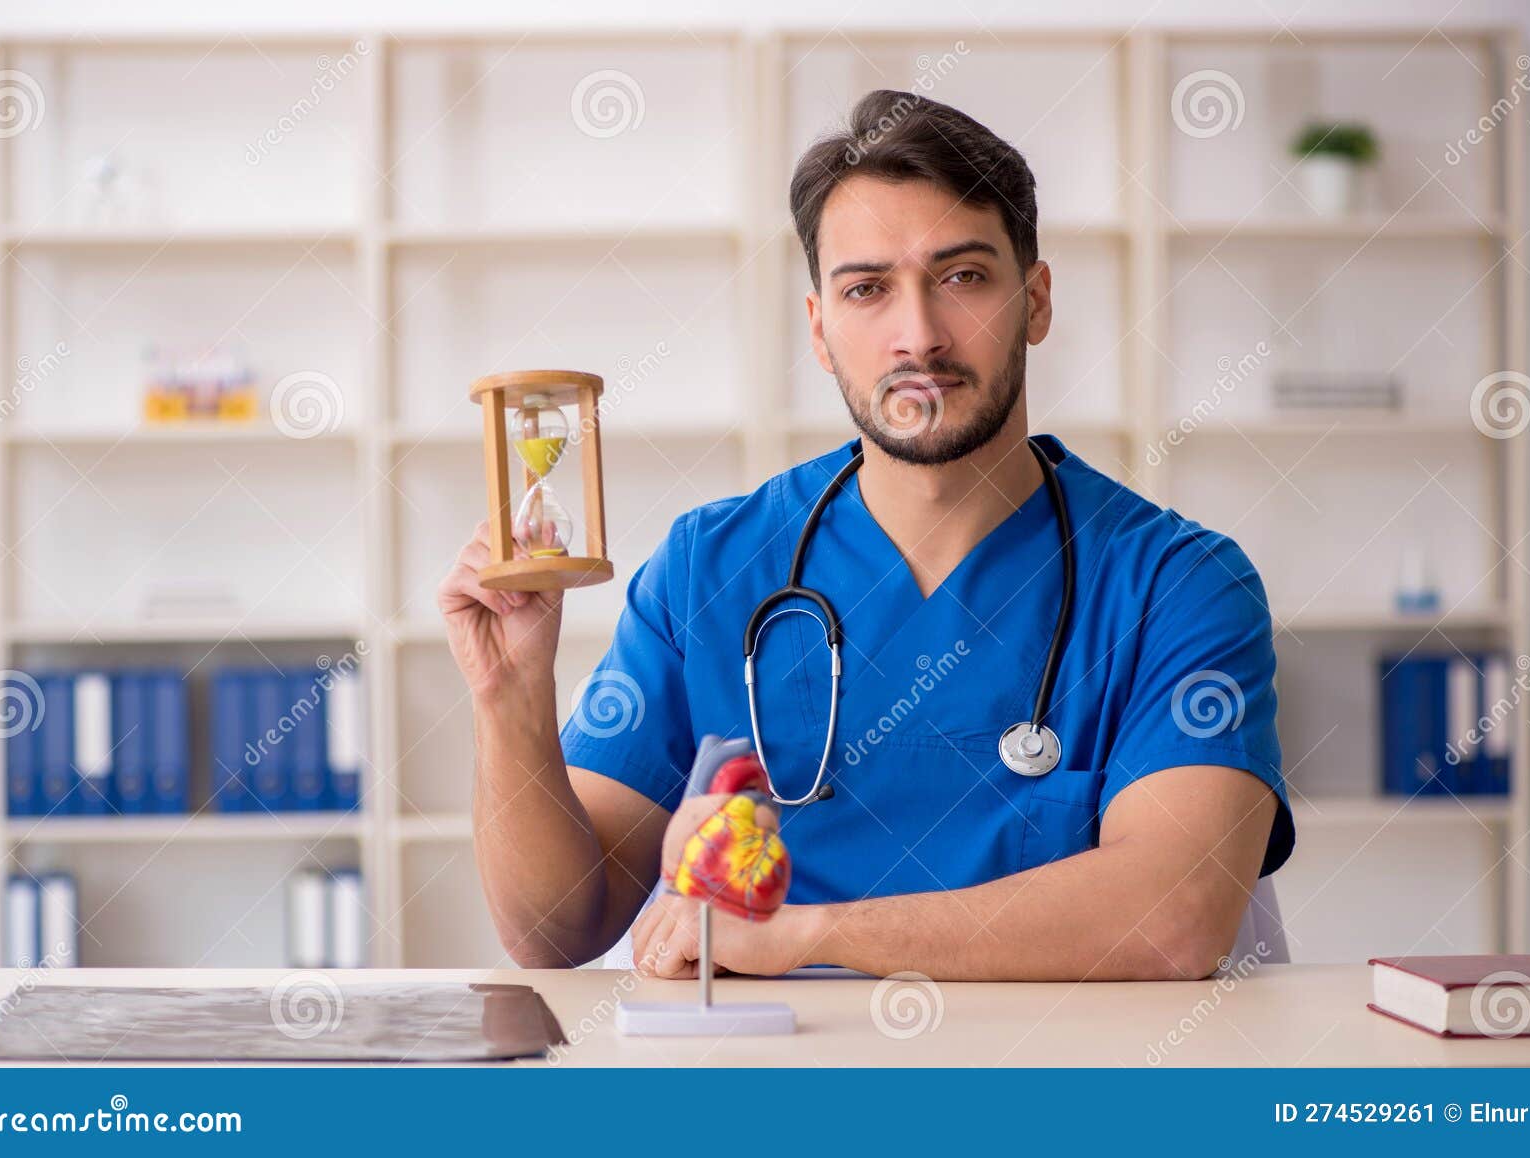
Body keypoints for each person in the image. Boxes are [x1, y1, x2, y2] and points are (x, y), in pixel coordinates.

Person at [438, 89, 1294, 982]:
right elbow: (556, 931)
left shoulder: (1179, 584)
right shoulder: (709, 571)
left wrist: (806, 935)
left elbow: (1175, 920)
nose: (917, 336)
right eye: (867, 289)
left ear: (1035, 302)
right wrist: (509, 696)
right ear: (820, 330)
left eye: (963, 278)